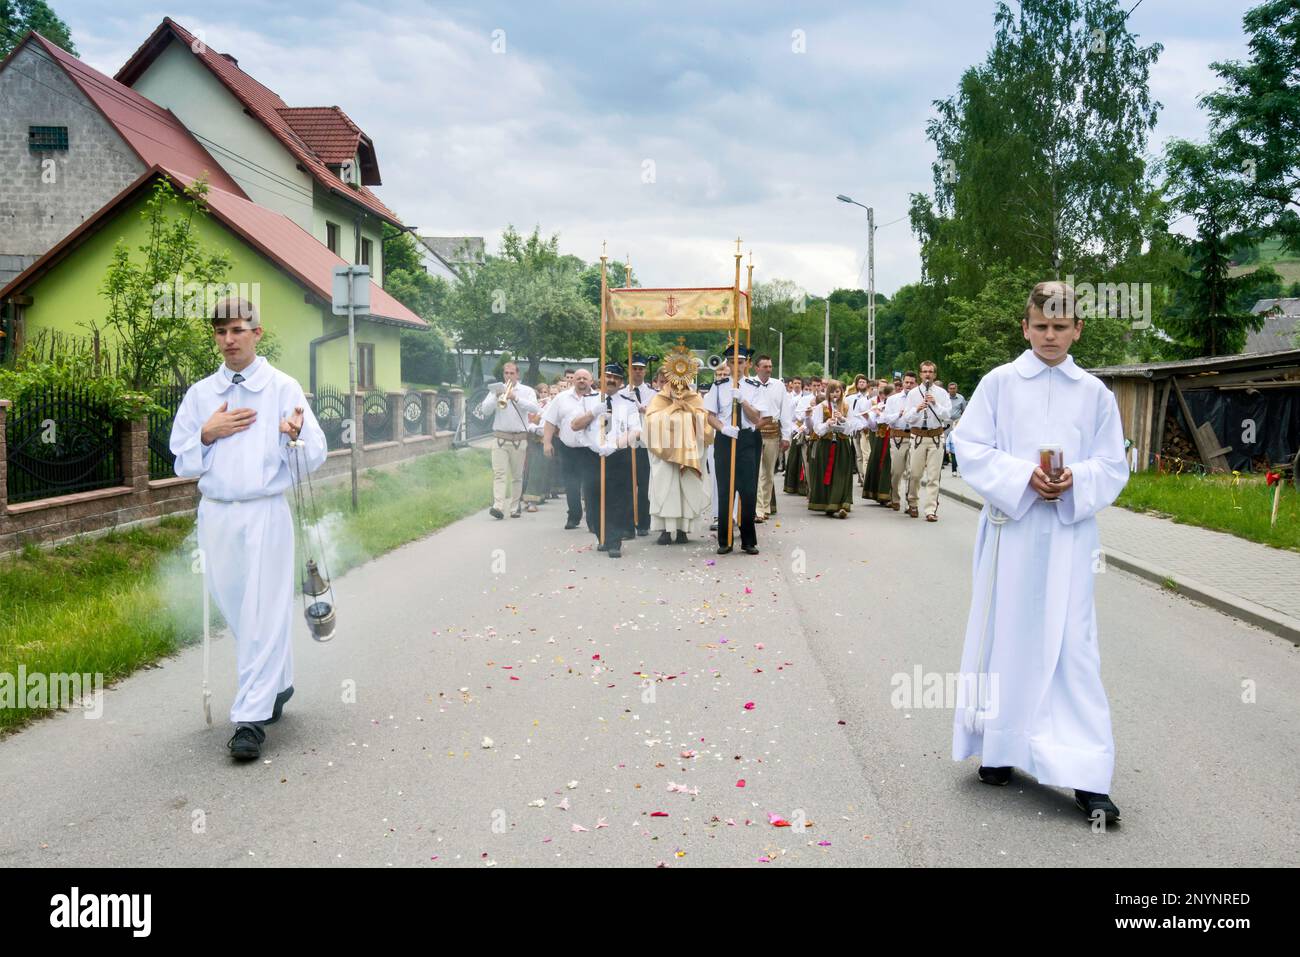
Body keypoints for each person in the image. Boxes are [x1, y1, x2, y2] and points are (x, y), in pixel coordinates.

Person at [950, 280, 1128, 826]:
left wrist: (1075, 478)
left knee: (1074, 648)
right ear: (1026, 327)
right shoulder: (999, 383)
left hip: (1070, 537)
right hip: (1014, 531)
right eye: (1041, 326)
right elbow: (969, 445)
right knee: (1008, 638)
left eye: (1061, 326)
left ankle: (1087, 773)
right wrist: (1022, 476)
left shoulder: (1095, 393)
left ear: (1077, 329)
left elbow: (1112, 464)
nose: (1051, 336)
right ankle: (1001, 748)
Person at [169, 297, 327, 762]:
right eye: (220, 332)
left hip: (264, 513)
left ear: (258, 333)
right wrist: (207, 433)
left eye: (237, 330)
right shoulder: (201, 395)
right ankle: (277, 683)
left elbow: (311, 453)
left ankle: (250, 721)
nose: (228, 340)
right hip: (217, 513)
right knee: (239, 608)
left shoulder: (282, 387)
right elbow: (180, 459)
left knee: (264, 606)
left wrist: (292, 435)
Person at [645, 345, 714, 544]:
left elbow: (705, 422)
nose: (675, 383)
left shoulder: (694, 398)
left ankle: (683, 529)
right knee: (666, 489)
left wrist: (689, 411)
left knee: (686, 488)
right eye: (669, 379)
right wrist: (673, 409)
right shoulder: (659, 399)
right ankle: (665, 530)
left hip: (690, 452)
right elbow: (650, 423)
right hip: (665, 454)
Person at [569, 363, 638, 558]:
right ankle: (602, 536)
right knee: (593, 498)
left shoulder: (628, 402)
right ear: (601, 378)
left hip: (617, 454)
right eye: (608, 376)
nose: (611, 380)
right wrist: (593, 412)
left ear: (621, 382)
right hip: (592, 454)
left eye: (615, 377)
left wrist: (615, 445)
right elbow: (574, 425)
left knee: (617, 499)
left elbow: (635, 431)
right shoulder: (588, 400)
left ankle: (614, 540)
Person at [703, 344, 763, 554]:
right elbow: (709, 415)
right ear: (727, 363)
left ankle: (748, 540)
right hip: (726, 438)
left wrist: (743, 400)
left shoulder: (754, 387)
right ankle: (725, 539)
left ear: (746, 363)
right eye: (731, 362)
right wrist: (723, 428)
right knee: (725, 489)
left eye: (739, 361)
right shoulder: (718, 387)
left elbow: (757, 417)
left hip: (746, 438)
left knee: (747, 490)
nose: (735, 366)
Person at [478, 361, 540, 519]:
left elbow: (535, 408)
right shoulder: (496, 389)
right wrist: (495, 397)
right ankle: (498, 506)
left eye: (512, 373)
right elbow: (485, 410)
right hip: (500, 438)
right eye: (506, 373)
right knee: (499, 474)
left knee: (517, 476)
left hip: (519, 439)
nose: (509, 376)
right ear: (503, 374)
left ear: (517, 374)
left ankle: (514, 506)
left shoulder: (526, 391)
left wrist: (515, 398)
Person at [542, 368, 599, 530]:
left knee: (590, 485)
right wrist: (547, 442)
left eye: (585, 378)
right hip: (568, 448)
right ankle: (574, 516)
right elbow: (550, 421)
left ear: (591, 381)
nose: (581, 380)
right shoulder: (561, 398)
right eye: (578, 378)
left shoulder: (599, 398)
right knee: (571, 484)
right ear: (573, 380)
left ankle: (593, 521)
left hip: (590, 450)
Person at [805, 378, 863, 518]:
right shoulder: (821, 406)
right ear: (828, 393)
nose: (835, 395)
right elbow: (817, 429)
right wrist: (827, 424)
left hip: (842, 444)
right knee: (827, 473)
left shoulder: (847, 406)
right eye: (832, 392)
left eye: (837, 392)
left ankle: (842, 504)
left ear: (842, 392)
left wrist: (842, 420)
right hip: (826, 444)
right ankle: (828, 503)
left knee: (841, 473)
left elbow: (852, 427)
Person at [906, 360, 953, 523]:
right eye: (925, 371)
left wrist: (935, 403)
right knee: (915, 474)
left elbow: (947, 415)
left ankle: (930, 509)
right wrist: (917, 408)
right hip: (918, 436)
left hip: (935, 437)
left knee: (933, 476)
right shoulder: (913, 394)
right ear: (920, 374)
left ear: (934, 374)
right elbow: (907, 417)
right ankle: (912, 501)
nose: (927, 374)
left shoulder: (941, 393)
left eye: (930, 372)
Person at [618, 353, 656, 539]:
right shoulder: (622, 393)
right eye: (635, 368)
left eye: (641, 368)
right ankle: (627, 524)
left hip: (645, 444)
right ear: (629, 370)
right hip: (627, 443)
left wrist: (642, 407)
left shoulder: (653, 393)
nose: (638, 371)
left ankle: (643, 522)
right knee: (627, 485)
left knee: (645, 484)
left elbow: (657, 415)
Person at [749, 354, 788, 523]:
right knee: (755, 472)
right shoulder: (749, 384)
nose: (768, 370)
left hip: (773, 431)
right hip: (755, 430)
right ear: (756, 368)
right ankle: (757, 509)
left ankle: (765, 506)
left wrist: (786, 436)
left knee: (769, 472)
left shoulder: (779, 386)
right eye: (765, 366)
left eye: (770, 366)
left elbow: (785, 411)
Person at [884, 371, 918, 513]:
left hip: (915, 437)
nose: (909, 385)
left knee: (913, 472)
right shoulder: (893, 399)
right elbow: (887, 419)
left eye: (912, 382)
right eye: (907, 382)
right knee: (896, 471)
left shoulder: (919, 399)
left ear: (916, 383)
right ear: (902, 383)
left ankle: (911, 503)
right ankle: (895, 498)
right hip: (898, 437)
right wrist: (899, 414)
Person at [860, 380, 894, 505]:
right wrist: (867, 417)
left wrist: (882, 414)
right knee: (879, 463)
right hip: (881, 437)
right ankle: (880, 494)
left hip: (894, 437)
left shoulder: (894, 406)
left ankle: (889, 494)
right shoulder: (876, 404)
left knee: (890, 466)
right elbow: (873, 426)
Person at [783, 378, 813, 496]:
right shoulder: (794, 399)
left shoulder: (815, 399)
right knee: (796, 459)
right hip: (797, 432)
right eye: (808, 388)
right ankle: (796, 485)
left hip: (809, 431)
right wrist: (796, 429)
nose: (811, 390)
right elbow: (791, 418)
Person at [847, 374, 874, 481]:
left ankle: (866, 475)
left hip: (868, 428)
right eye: (860, 382)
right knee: (859, 455)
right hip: (856, 429)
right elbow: (850, 414)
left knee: (867, 454)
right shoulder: (851, 398)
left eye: (864, 381)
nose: (862, 383)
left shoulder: (870, 397)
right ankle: (861, 476)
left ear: (867, 384)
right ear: (857, 385)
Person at [945, 381, 967, 474]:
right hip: (946, 421)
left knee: (956, 441)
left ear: (956, 389)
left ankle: (957, 459)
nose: (952, 390)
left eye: (954, 388)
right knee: (945, 440)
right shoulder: (945, 397)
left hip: (957, 422)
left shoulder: (961, 398)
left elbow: (964, 411)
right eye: (950, 388)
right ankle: (945, 460)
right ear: (948, 389)